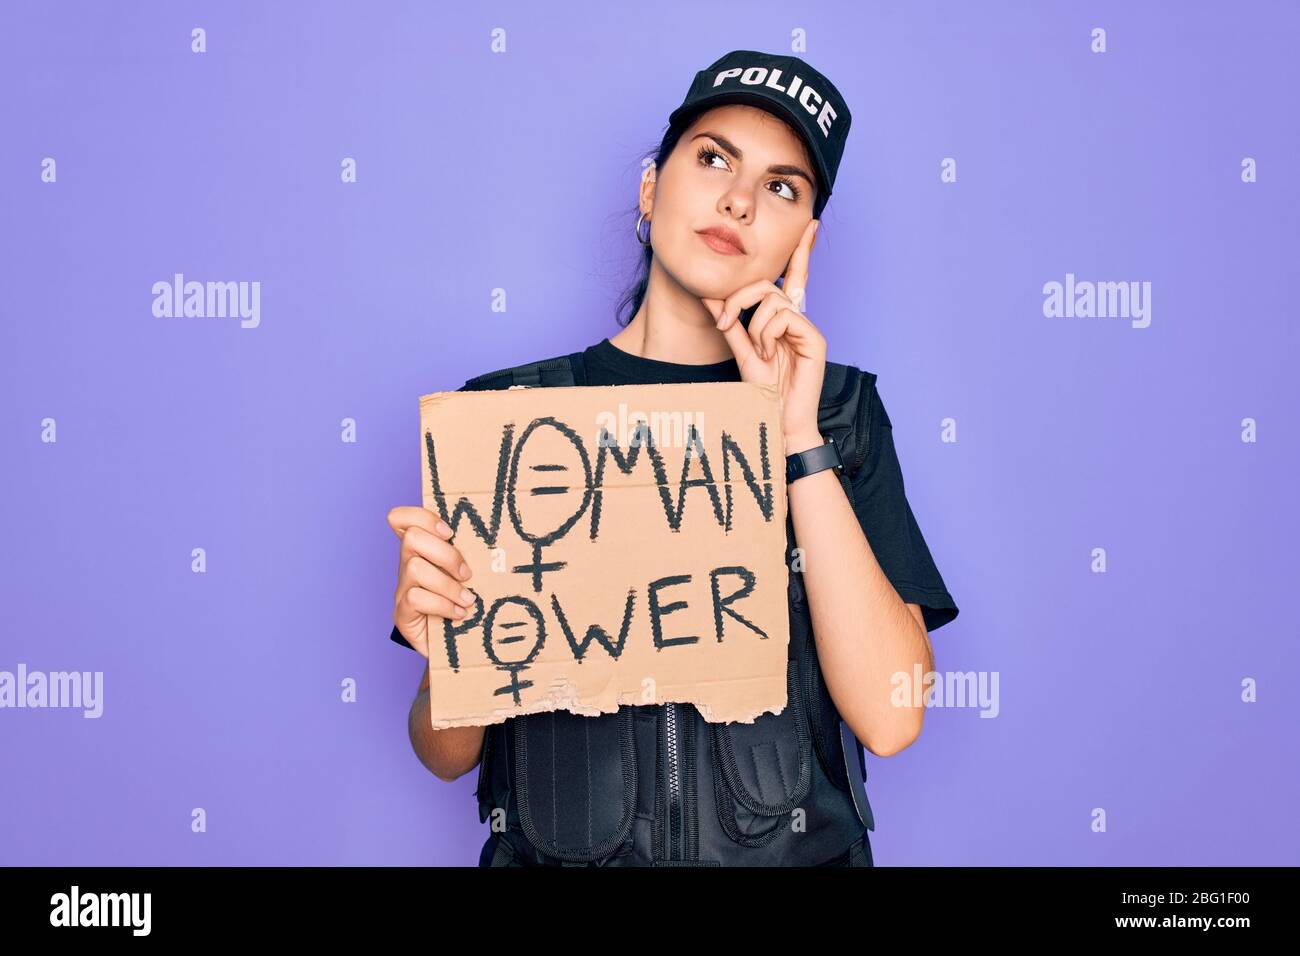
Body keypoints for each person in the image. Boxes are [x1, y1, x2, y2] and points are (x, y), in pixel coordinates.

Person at [386, 50, 959, 866]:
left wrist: (795, 433)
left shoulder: (842, 415)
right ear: (652, 189)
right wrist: (443, 646)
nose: (738, 199)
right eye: (714, 157)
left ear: (807, 238)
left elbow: (893, 719)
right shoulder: (504, 420)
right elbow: (444, 754)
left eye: (781, 187)